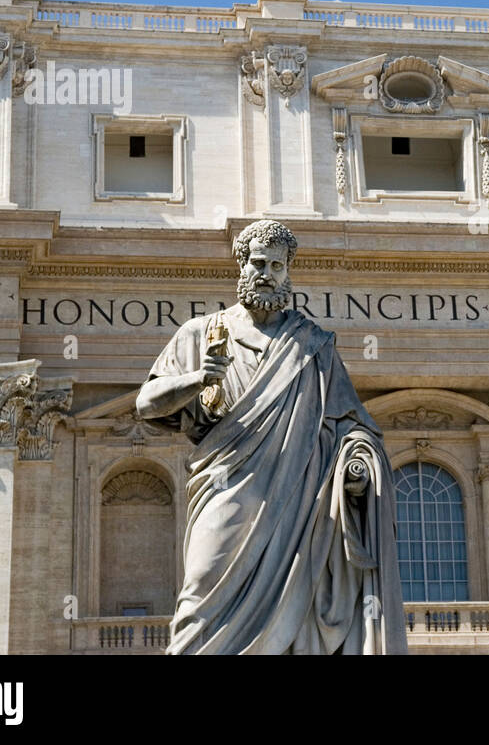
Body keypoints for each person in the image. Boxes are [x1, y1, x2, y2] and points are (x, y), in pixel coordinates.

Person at [136, 219, 406, 655]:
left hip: (296, 500)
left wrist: (357, 462)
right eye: (259, 263)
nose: (267, 274)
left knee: (291, 614)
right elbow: (147, 404)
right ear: (242, 265)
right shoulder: (201, 332)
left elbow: (351, 423)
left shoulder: (313, 345)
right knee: (201, 592)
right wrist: (199, 378)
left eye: (277, 266)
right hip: (226, 487)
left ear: (287, 272)